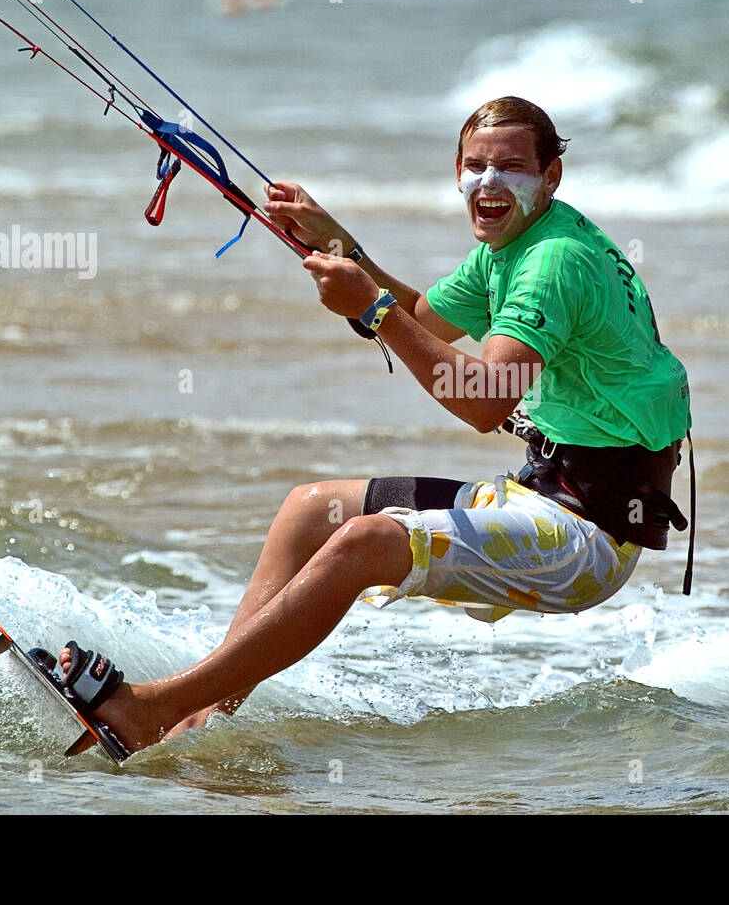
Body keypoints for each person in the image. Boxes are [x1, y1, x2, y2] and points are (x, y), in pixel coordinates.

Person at [57, 96, 693, 756]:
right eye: (475, 166)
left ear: (551, 177)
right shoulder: (514, 243)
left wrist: (375, 309)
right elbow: (426, 314)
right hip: (541, 494)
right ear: (456, 171)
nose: (490, 183)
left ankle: (153, 709)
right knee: (309, 511)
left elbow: (482, 400)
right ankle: (198, 721)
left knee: (362, 543)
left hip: (586, 537)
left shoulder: (551, 262)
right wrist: (339, 245)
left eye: (511, 167)